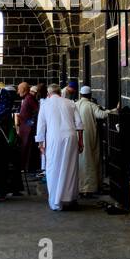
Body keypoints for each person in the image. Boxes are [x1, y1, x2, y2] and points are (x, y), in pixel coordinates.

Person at [36, 83, 84, 212]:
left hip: (54, 138)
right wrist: (81, 142)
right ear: (59, 92)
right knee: (70, 168)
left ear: (49, 94)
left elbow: (41, 126)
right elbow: (79, 124)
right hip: (71, 136)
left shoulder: (45, 105)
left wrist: (40, 143)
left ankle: (56, 201)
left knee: (53, 168)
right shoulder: (70, 102)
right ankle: (69, 198)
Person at [76, 85, 110, 197]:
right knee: (89, 162)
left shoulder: (75, 105)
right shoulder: (91, 105)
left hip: (77, 137)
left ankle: (80, 187)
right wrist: (114, 110)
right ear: (90, 95)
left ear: (81, 94)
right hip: (89, 137)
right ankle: (88, 189)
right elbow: (102, 115)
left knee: (80, 162)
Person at [16, 81, 40, 175]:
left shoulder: (29, 98)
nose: (18, 92)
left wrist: (30, 123)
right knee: (25, 148)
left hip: (28, 129)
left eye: (19, 89)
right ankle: (25, 167)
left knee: (28, 149)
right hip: (25, 128)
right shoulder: (27, 98)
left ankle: (28, 168)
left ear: (24, 89)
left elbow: (37, 112)